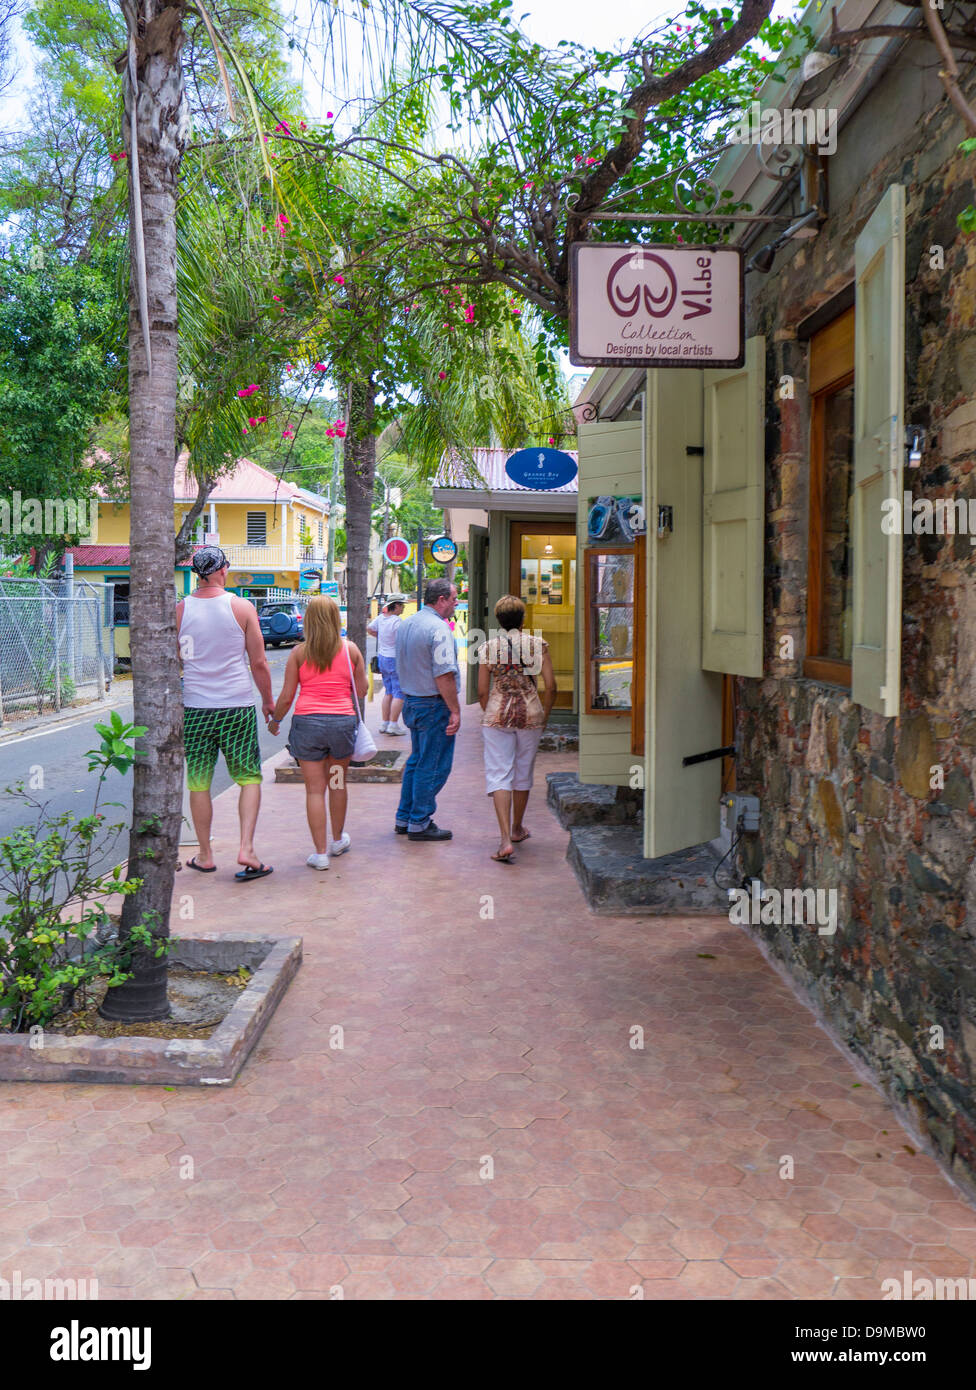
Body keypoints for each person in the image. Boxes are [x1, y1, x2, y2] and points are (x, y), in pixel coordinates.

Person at [176, 546, 275, 881]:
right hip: (236, 705)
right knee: (249, 778)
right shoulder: (242, 607)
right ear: (223, 570)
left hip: (196, 707)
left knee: (199, 782)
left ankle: (204, 855)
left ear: (197, 574)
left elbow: (177, 661)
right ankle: (246, 848)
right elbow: (259, 663)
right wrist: (268, 701)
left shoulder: (181, 610)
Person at [267, 595, 368, 869]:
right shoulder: (351, 650)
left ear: (309, 620)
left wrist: (275, 720)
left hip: (308, 725)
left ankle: (320, 853)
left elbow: (287, 697)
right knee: (337, 783)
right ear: (336, 619)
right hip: (341, 725)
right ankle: (337, 840)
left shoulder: (299, 653)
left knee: (314, 791)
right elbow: (361, 691)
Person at [477, 594, 557, 863]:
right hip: (530, 715)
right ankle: (518, 827)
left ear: (498, 620)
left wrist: (490, 710)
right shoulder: (538, 644)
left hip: (497, 715)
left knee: (500, 773)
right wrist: (543, 715)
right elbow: (551, 685)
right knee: (523, 770)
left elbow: (481, 691)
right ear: (523, 619)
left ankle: (504, 840)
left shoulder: (488, 647)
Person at [394, 577, 461, 841]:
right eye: (454, 598)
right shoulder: (439, 629)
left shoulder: (408, 623)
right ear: (442, 599)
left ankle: (405, 816)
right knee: (433, 764)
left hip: (412, 700)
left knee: (417, 760)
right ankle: (419, 820)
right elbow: (444, 674)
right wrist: (455, 709)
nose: (456, 603)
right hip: (432, 704)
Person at [367, 595, 406, 735]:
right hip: (394, 659)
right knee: (399, 693)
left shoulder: (381, 618)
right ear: (395, 606)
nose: (403, 608)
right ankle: (393, 724)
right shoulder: (397, 621)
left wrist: (381, 636)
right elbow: (403, 640)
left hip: (383, 658)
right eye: (402, 605)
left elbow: (369, 628)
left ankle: (385, 723)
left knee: (388, 692)